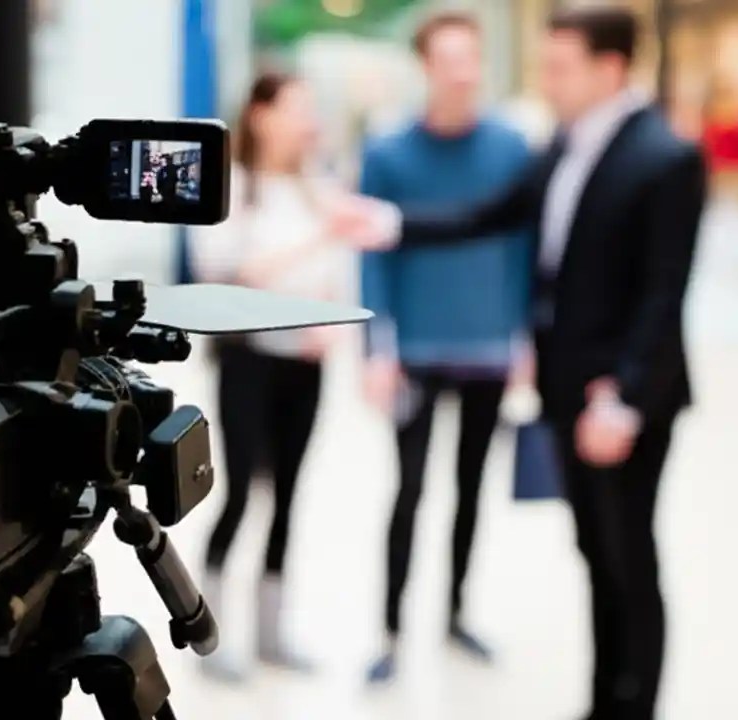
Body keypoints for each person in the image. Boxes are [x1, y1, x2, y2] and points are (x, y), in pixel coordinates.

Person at [333, 7, 705, 720]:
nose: (547, 81)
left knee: (630, 562)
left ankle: (638, 706)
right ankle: (604, 702)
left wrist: (625, 397)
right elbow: (493, 215)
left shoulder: (663, 156)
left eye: (560, 67)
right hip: (569, 393)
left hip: (619, 404)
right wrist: (394, 223)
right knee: (595, 556)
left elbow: (663, 296)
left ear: (610, 68)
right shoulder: (566, 144)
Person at [356, 10, 534, 684]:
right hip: (415, 351)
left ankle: (457, 614)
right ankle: (391, 631)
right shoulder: (387, 153)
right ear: (425, 67)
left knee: (471, 490)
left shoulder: (513, 149)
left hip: (489, 347)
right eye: (449, 60)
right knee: (407, 492)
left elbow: (525, 246)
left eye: (471, 58)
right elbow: (372, 255)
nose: (463, 73)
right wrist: (377, 346)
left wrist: (524, 336)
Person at [189, 71, 355, 682]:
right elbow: (233, 269)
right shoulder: (232, 187)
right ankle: (207, 637)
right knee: (239, 494)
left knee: (289, 495)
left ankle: (271, 633)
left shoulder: (317, 186)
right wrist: (322, 235)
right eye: (295, 108)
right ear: (260, 114)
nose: (308, 121)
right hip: (248, 360)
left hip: (305, 364)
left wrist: (328, 321)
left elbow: (335, 269)